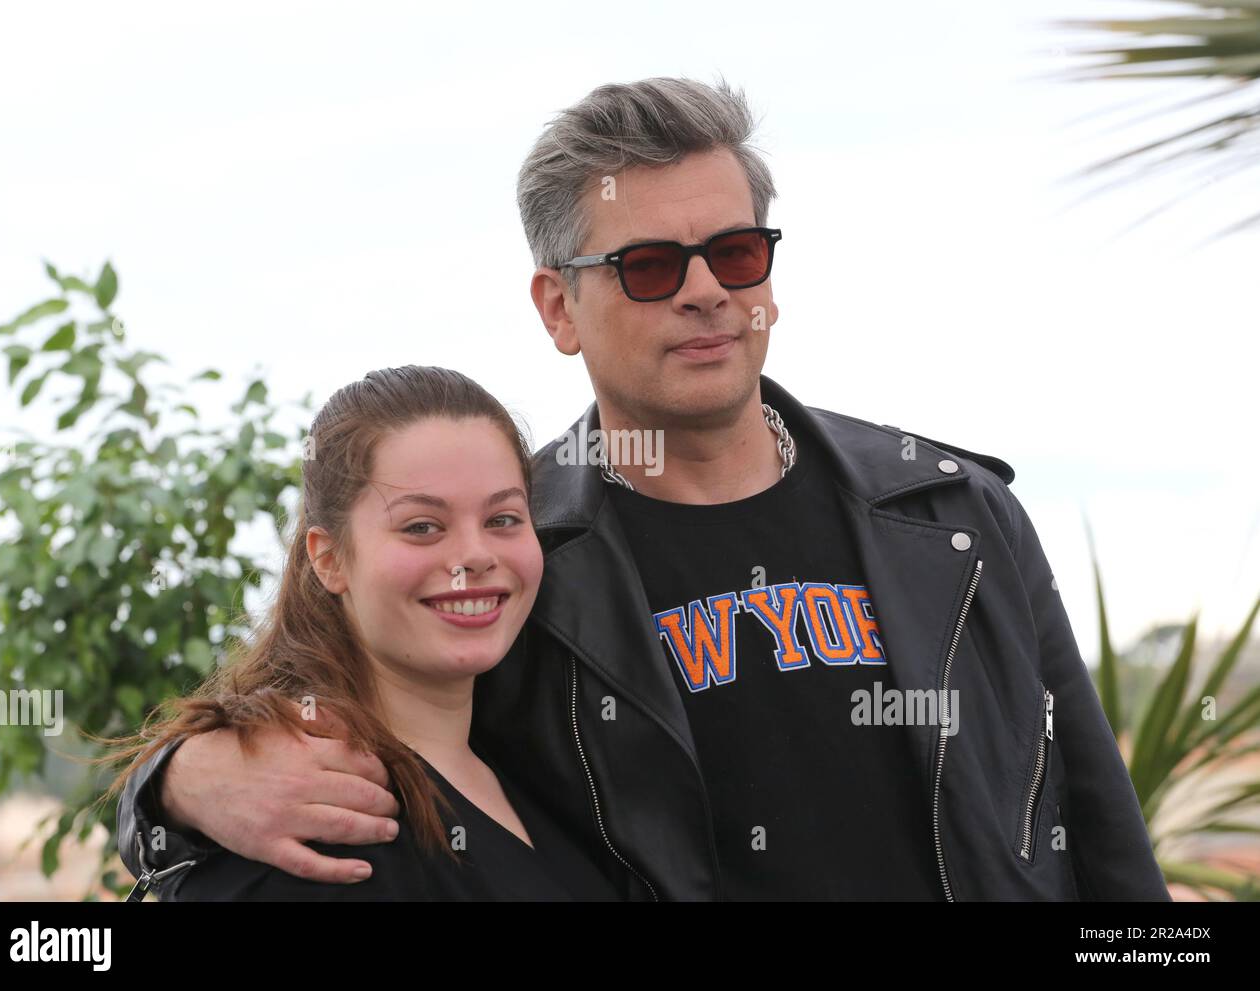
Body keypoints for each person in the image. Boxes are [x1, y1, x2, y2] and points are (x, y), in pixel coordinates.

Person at [118, 76, 1170, 901]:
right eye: (651, 266)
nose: (706, 291)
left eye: (736, 252)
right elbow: (328, 695)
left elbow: (1100, 824)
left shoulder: (951, 514)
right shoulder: (517, 558)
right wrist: (172, 786)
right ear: (557, 307)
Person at [109, 366, 619, 901]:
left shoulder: (536, 747)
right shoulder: (305, 823)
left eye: (503, 519)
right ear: (329, 559)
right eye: (422, 527)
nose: (475, 555)